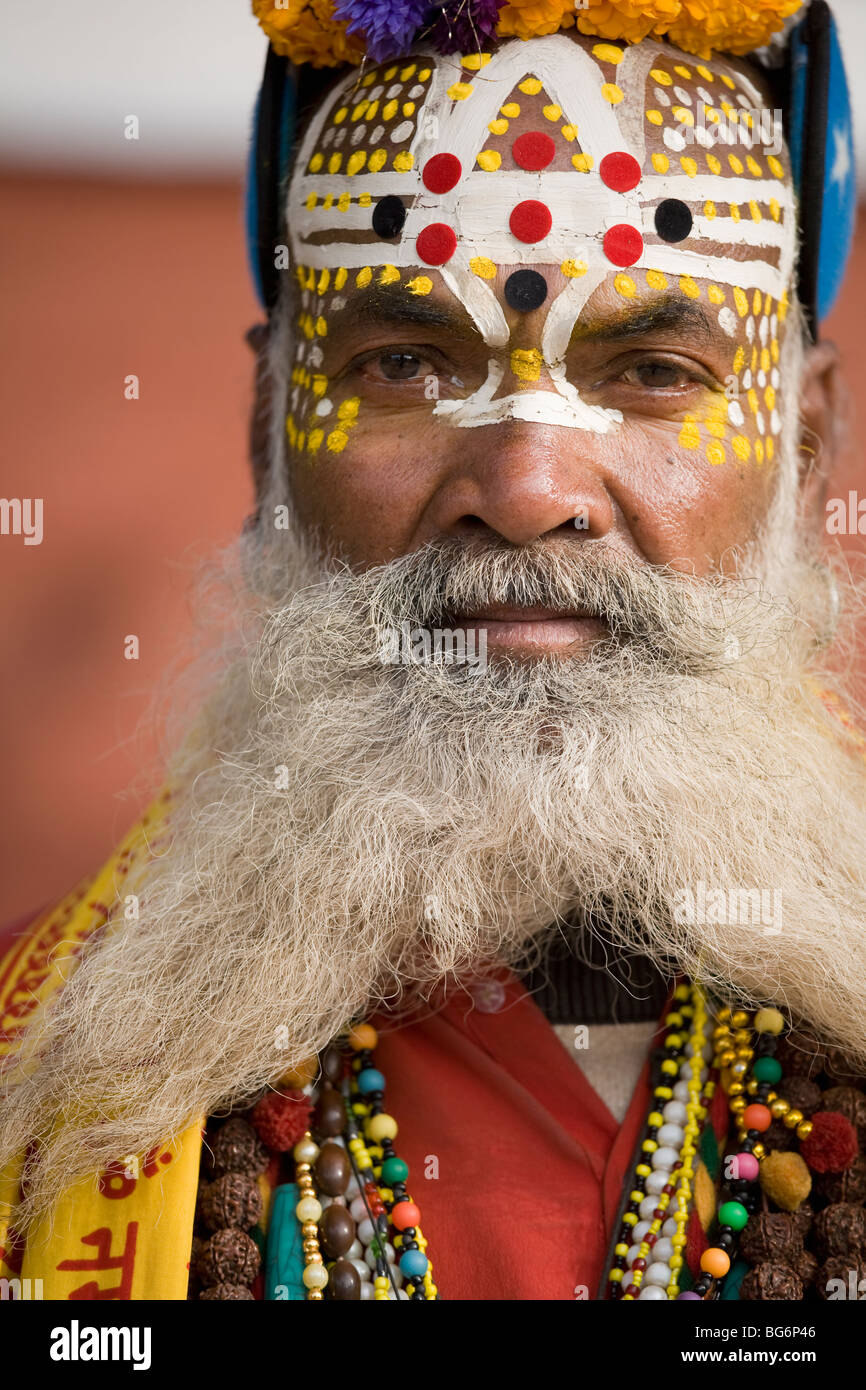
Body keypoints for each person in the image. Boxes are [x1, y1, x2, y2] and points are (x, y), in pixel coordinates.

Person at [1, 0, 864, 1303]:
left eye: (650, 368)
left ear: (805, 450)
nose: (523, 487)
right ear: (265, 439)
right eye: (404, 360)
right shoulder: (29, 1075)